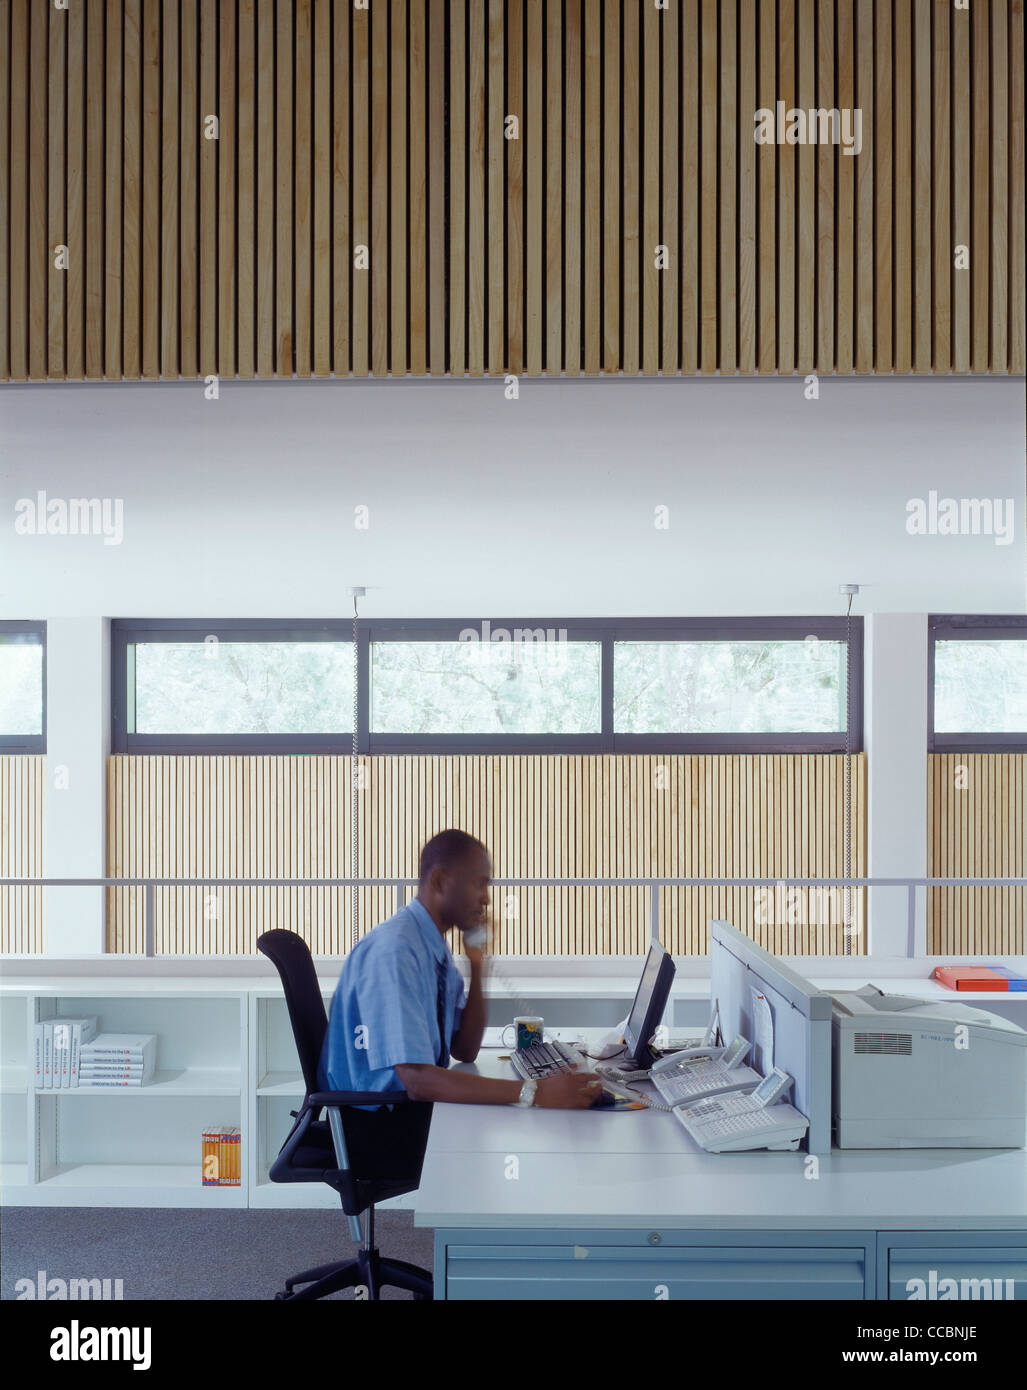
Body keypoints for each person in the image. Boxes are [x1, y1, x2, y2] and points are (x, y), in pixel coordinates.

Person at [318, 829, 599, 1180]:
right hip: (374, 1127)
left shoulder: (431, 949)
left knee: (529, 1124)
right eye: (478, 884)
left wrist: (477, 964)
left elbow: (464, 1048)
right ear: (439, 881)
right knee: (528, 1138)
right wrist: (535, 1091)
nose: (486, 899)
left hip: (406, 1111)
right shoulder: (396, 952)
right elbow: (418, 1081)